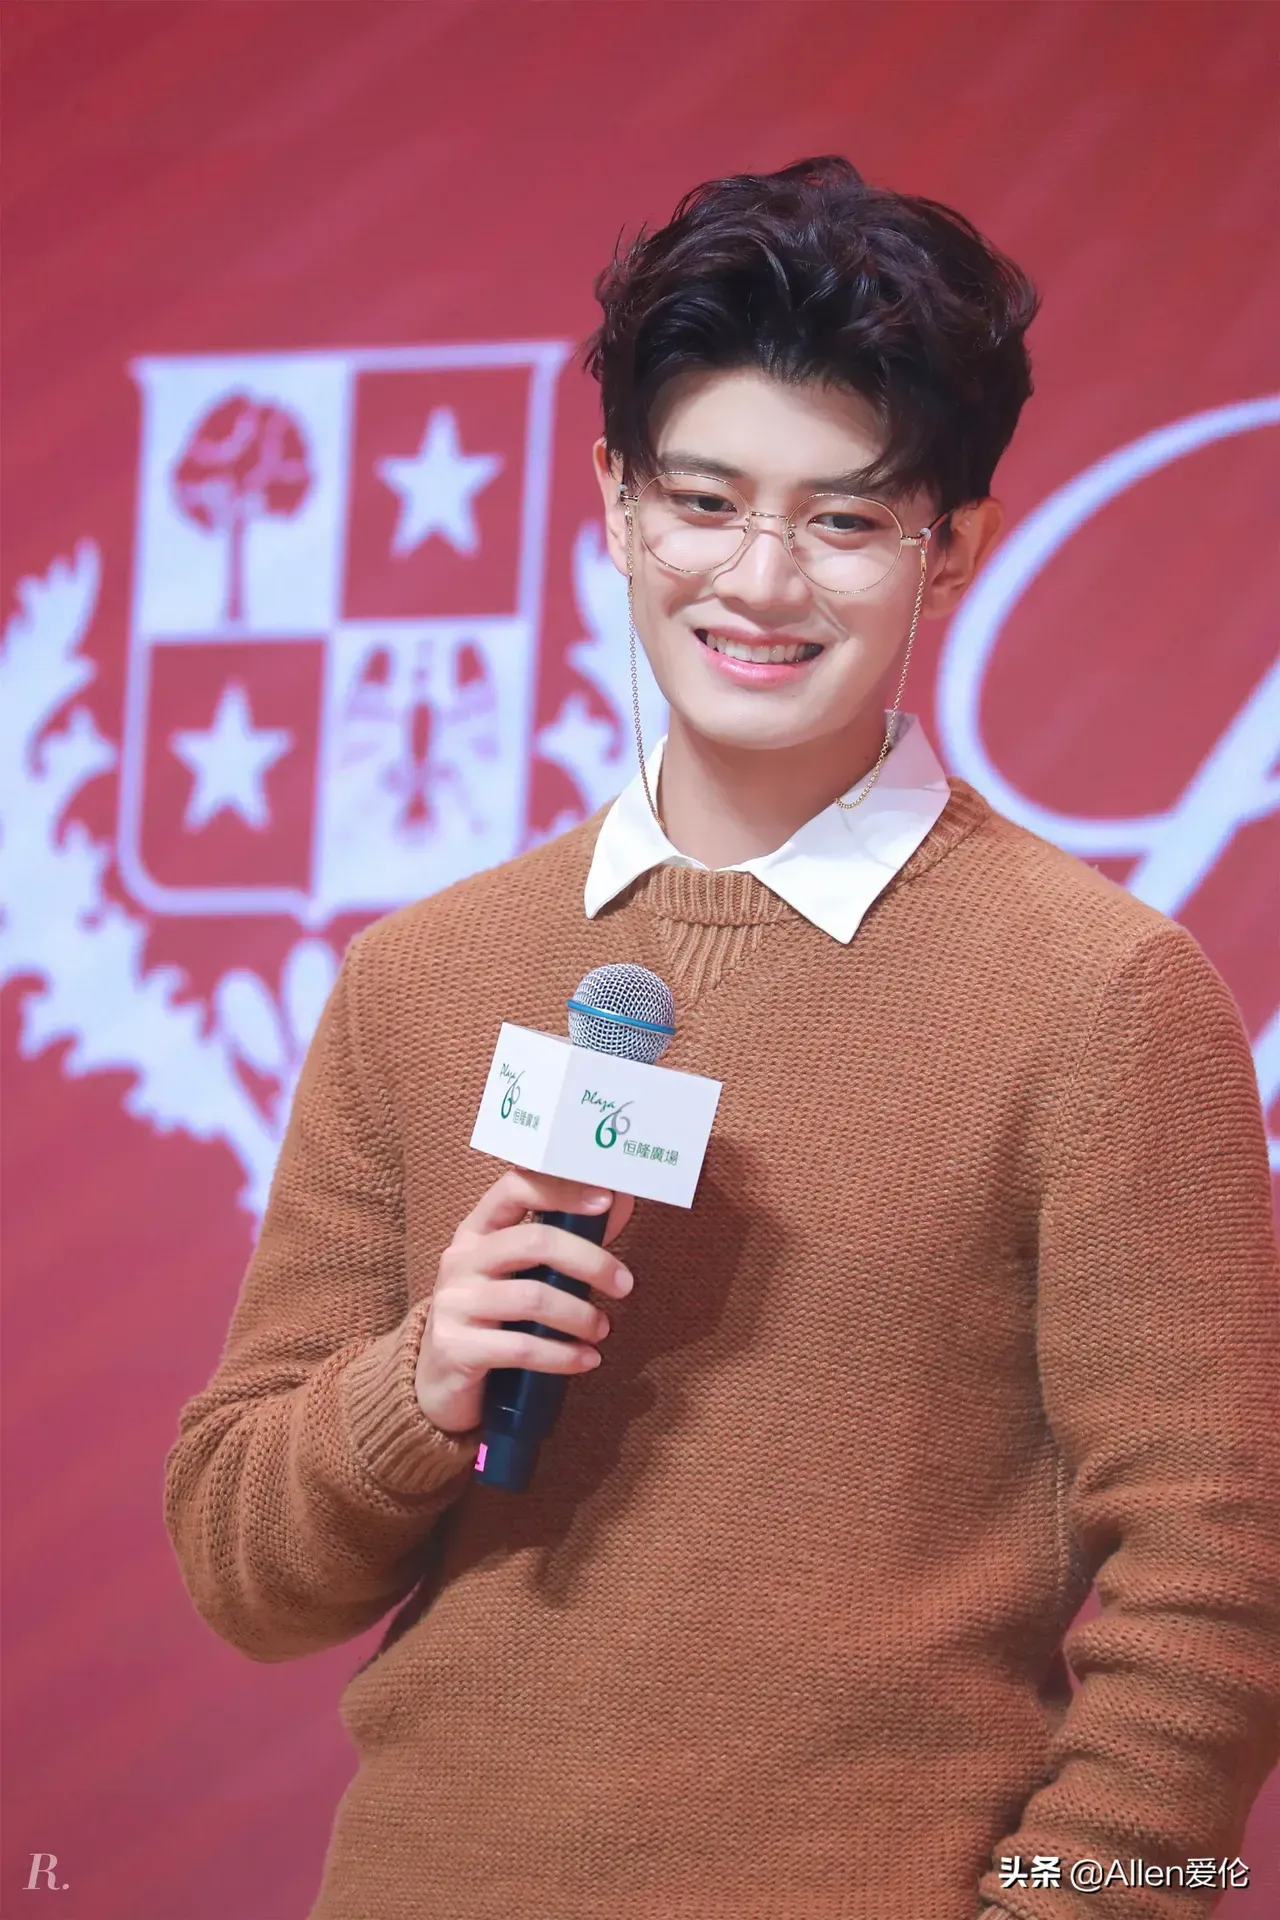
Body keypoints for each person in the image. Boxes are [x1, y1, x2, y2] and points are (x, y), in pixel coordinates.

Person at [164, 157, 1280, 1920]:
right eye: (704, 501)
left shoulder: (1099, 995)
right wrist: (419, 1381)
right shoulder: (421, 978)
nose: (760, 583)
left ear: (951, 549)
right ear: (615, 504)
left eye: (842, 521)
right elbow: (243, 1567)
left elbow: (1225, 1574)